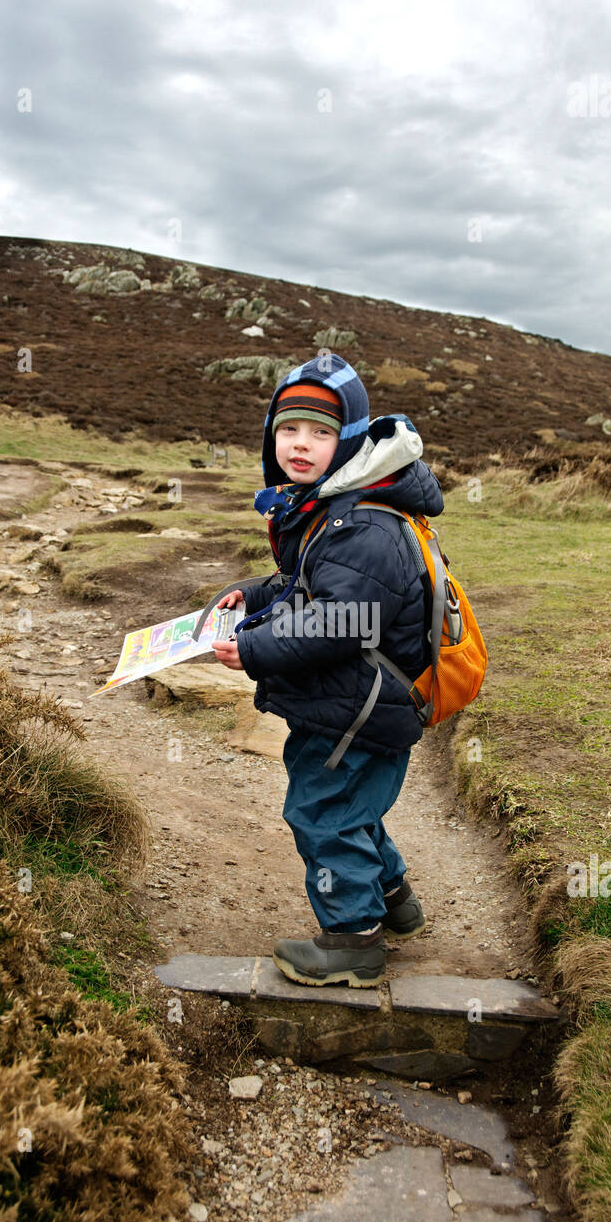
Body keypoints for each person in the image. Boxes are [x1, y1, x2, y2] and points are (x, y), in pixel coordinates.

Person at [212, 352, 444, 987]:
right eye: (289, 429)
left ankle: (353, 940)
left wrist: (253, 650)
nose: (301, 444)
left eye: (320, 431)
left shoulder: (363, 522)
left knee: (324, 809)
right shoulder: (342, 498)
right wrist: (254, 597)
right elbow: (310, 586)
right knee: (353, 800)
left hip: (362, 702)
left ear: (347, 437)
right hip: (367, 700)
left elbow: (342, 621)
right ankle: (394, 904)